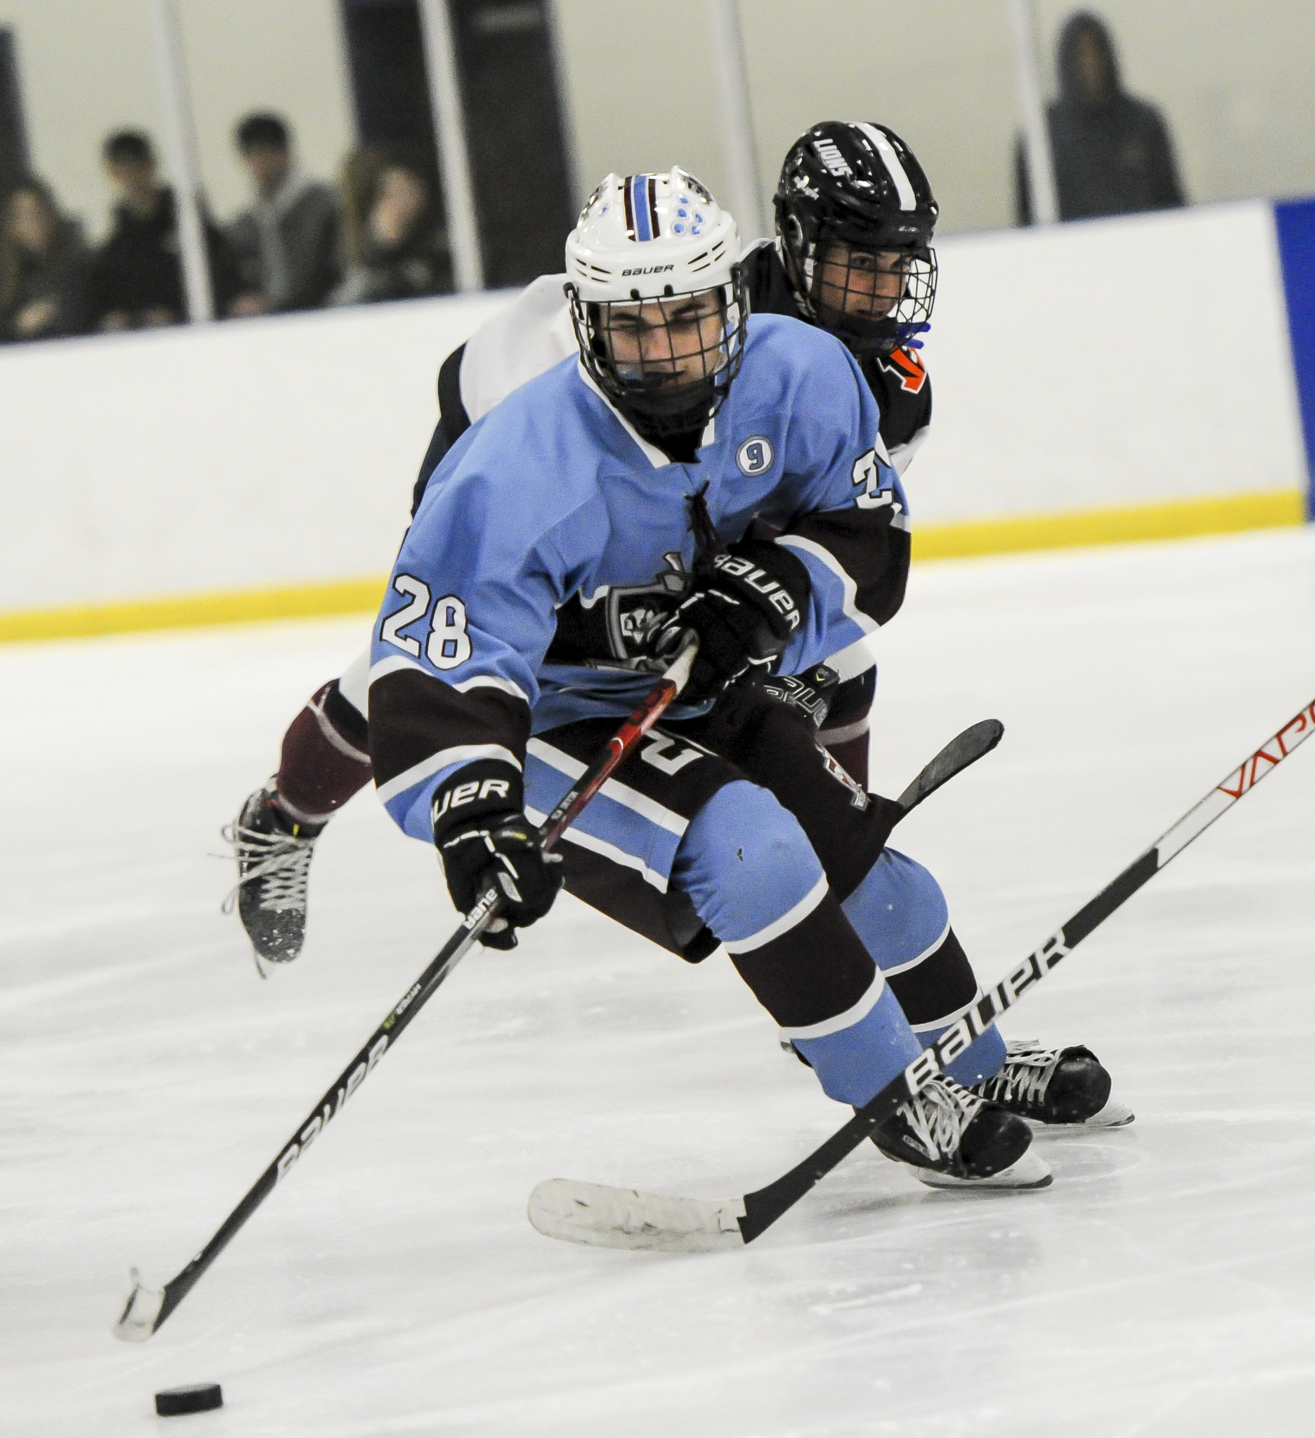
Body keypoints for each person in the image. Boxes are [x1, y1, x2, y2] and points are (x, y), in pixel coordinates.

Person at [362, 167, 1122, 1187]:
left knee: (879, 885)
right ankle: (892, 1095)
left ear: (732, 296)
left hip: (703, 686)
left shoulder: (803, 373)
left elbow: (866, 534)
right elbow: (441, 652)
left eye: (688, 316)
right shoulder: (517, 462)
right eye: (634, 327)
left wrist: (776, 591)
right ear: (586, 323)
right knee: (754, 854)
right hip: (558, 717)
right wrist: (475, 813)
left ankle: (974, 1066)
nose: (667, 352)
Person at [230, 121, 937, 967]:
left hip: (689, 529)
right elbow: (526, 465)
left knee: (840, 661)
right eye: (859, 262)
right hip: (527, 471)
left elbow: (824, 530)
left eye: (898, 263)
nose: (882, 288)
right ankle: (283, 818)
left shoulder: (888, 387)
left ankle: (842, 887)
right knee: (420, 674)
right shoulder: (669, 307)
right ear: (796, 242)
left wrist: (765, 601)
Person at [1016, 11, 1185, 224]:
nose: (1091, 62)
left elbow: (1173, 204)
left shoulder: (1144, 123)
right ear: (1067, 61)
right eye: (1081, 54)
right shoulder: (1042, 136)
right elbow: (1027, 221)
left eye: (1097, 51)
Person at [83, 129, 234, 330]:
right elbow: (104, 300)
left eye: (137, 168)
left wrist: (176, 312)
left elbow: (220, 276)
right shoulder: (115, 249)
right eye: (122, 171)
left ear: (151, 166)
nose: (131, 178)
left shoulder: (190, 223)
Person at [224, 112, 341, 317]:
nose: (258, 163)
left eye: (264, 153)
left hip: (322, 314)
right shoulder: (245, 224)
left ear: (284, 152)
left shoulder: (326, 205)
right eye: (250, 155)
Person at [330, 149, 451, 305]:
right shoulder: (352, 258)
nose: (404, 200)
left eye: (409, 188)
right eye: (392, 194)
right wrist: (383, 244)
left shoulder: (439, 244)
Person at [0, 177, 90, 341]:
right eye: (25, 216)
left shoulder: (79, 265)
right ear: (12, 225)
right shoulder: (7, 276)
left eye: (38, 213)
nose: (34, 223)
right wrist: (18, 326)